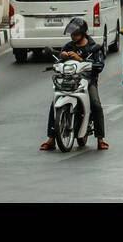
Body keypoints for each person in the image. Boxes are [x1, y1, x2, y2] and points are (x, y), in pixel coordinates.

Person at [40, 17, 108, 151]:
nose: (73, 36)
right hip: (69, 80)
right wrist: (62, 57)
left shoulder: (93, 47)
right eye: (72, 34)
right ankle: (51, 139)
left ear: (83, 33)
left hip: (87, 80)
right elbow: (58, 60)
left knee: (96, 104)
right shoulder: (69, 46)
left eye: (76, 34)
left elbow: (99, 65)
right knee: (54, 103)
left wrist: (80, 59)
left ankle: (100, 139)